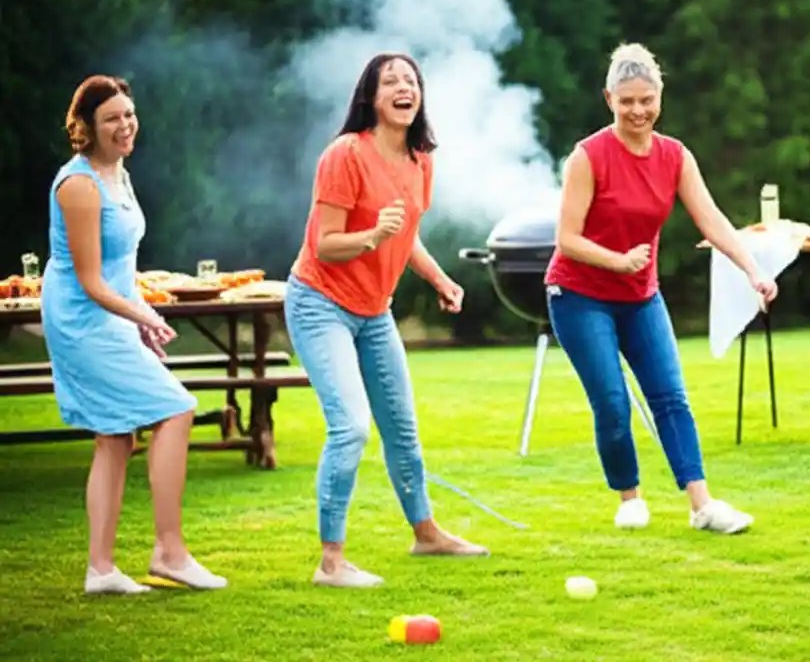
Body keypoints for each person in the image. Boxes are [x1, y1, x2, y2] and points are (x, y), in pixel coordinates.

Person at [544, 42, 776, 534]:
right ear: (608, 99)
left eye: (646, 99)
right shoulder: (588, 157)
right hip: (579, 295)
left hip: (639, 297)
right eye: (626, 101)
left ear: (660, 96)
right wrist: (618, 260)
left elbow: (711, 219)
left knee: (670, 396)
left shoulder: (674, 156)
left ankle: (702, 505)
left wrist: (753, 270)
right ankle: (629, 496)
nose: (637, 111)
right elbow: (567, 240)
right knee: (611, 400)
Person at [285, 52, 487, 589]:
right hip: (320, 302)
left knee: (402, 431)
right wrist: (373, 235)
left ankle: (427, 534)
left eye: (411, 80)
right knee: (350, 427)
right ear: (370, 98)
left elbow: (406, 232)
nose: (404, 87)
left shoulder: (421, 158)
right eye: (390, 81)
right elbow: (325, 245)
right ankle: (331, 561)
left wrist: (439, 278)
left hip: (375, 312)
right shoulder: (345, 155)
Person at [43, 75, 227, 594]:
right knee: (177, 408)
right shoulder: (78, 184)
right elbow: (90, 280)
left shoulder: (118, 174)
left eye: (129, 114)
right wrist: (142, 316)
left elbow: (123, 266)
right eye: (111, 119)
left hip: (113, 313)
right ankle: (169, 551)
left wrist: (137, 315)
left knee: (115, 438)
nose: (125, 126)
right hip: (83, 320)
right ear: (86, 127)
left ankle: (100, 570)